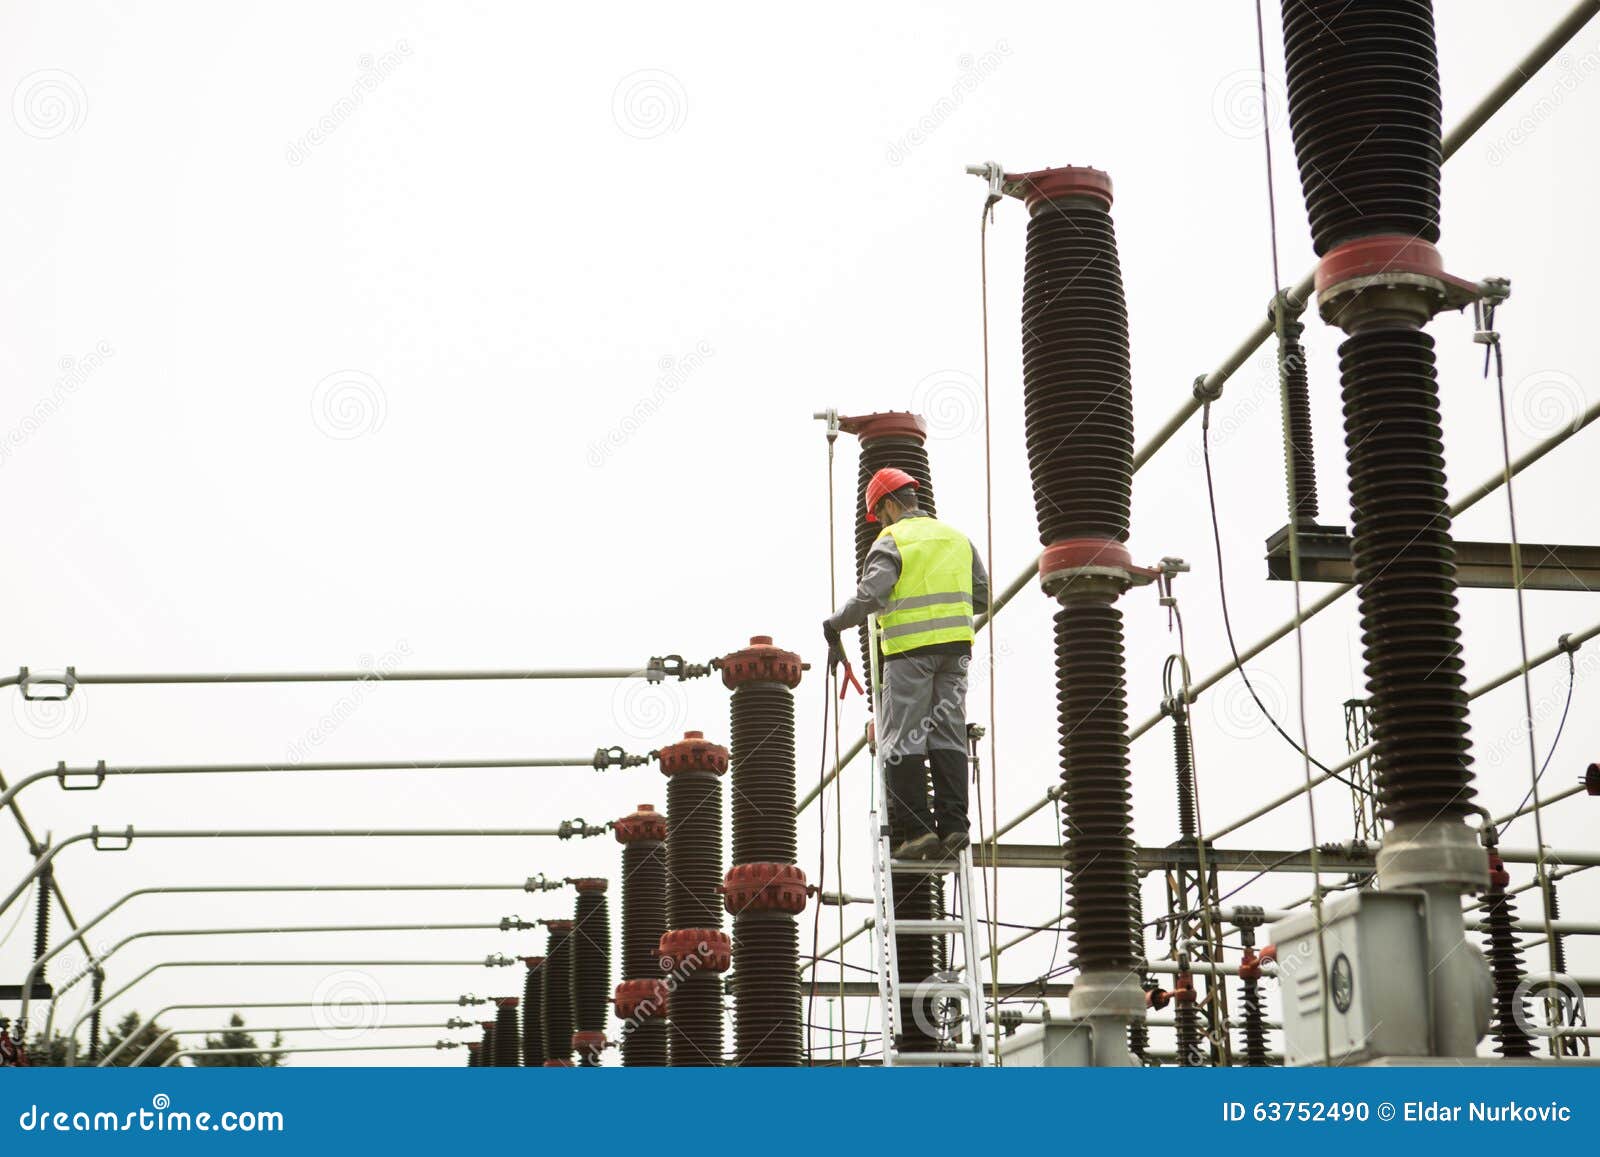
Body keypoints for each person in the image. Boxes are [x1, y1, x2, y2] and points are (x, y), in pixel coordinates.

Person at [823, 467, 989, 859]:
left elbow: (870, 596)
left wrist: (834, 623)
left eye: (880, 514)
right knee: (948, 734)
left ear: (888, 504)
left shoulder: (892, 540)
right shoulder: (956, 538)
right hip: (955, 650)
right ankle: (953, 828)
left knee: (903, 737)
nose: (881, 521)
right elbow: (981, 596)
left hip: (909, 652)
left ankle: (916, 831)